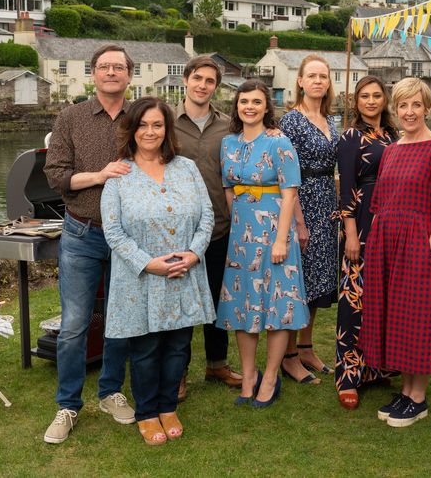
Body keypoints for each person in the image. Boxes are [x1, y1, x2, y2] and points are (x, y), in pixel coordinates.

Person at [101, 97, 216, 445]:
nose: (150, 132)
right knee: (147, 348)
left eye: (157, 125)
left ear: (167, 129)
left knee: (179, 346)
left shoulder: (186, 168)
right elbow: (113, 230)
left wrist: (194, 254)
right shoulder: (119, 174)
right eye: (143, 125)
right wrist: (147, 263)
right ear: (132, 130)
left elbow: (207, 215)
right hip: (142, 278)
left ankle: (169, 407)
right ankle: (147, 412)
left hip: (184, 272)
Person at [43, 44, 135, 444]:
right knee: (74, 326)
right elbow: (56, 176)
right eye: (104, 66)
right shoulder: (71, 117)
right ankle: (67, 405)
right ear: (93, 73)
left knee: (120, 321)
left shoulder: (141, 117)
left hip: (128, 237)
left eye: (119, 67)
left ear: (129, 75)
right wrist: (100, 175)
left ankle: (111, 392)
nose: (111, 72)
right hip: (81, 232)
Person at [359, 77, 431, 428]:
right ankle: (406, 391)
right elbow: (380, 204)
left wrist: (430, 251)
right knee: (397, 320)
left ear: (427, 108)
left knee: (417, 320)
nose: (409, 111)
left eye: (416, 104)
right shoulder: (392, 150)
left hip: (420, 246)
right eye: (403, 105)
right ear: (395, 109)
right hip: (387, 246)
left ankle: (419, 398)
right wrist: (374, 246)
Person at [216, 80, 309, 408]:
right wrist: (238, 225)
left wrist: (282, 238)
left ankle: (270, 377)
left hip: (273, 233)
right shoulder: (228, 143)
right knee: (243, 306)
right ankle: (249, 375)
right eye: (244, 101)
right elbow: (229, 188)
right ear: (237, 106)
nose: (250, 107)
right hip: (242, 237)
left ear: (267, 107)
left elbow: (289, 193)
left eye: (256, 101)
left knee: (277, 306)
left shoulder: (279, 142)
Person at [173, 56, 243, 397]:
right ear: (186, 79)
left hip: (219, 225)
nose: (202, 85)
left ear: (216, 86)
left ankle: (217, 364)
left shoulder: (229, 126)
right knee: (184, 303)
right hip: (177, 229)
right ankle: (179, 371)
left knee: (218, 298)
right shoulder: (166, 122)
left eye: (210, 81)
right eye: (197, 78)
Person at [334, 75, 398, 410]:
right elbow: (345, 188)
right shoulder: (350, 137)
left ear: (385, 100)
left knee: (381, 296)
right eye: (364, 97)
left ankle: (376, 367)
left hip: (392, 222)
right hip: (362, 221)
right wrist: (350, 232)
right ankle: (349, 376)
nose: (371, 101)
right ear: (356, 102)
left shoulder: (393, 135)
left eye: (376, 96)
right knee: (354, 298)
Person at [278, 55, 339, 384]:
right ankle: (288, 356)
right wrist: (298, 221)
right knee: (297, 283)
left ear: (329, 82)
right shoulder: (291, 121)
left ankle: (306, 347)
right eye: (311, 76)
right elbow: (287, 175)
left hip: (327, 202)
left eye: (323, 76)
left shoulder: (333, 119)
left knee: (317, 282)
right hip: (301, 203)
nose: (318, 81)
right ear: (300, 81)